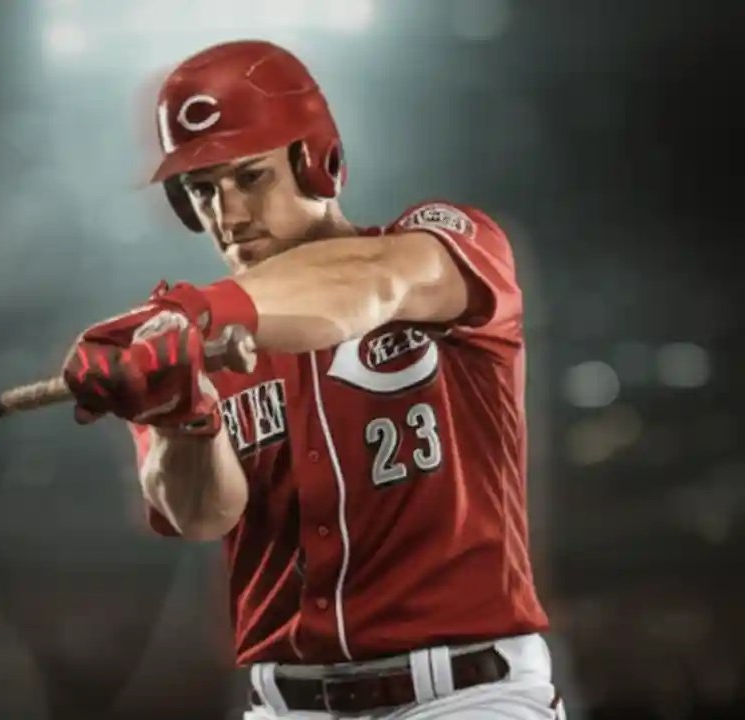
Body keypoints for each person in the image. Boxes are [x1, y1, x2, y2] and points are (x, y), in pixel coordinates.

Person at [60, 39, 565, 719]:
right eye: (203, 190)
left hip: (467, 694)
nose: (227, 216)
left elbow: (371, 281)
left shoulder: (440, 249)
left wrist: (197, 312)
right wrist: (181, 414)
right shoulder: (192, 344)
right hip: (287, 704)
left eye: (251, 177)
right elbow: (204, 515)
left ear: (318, 161)